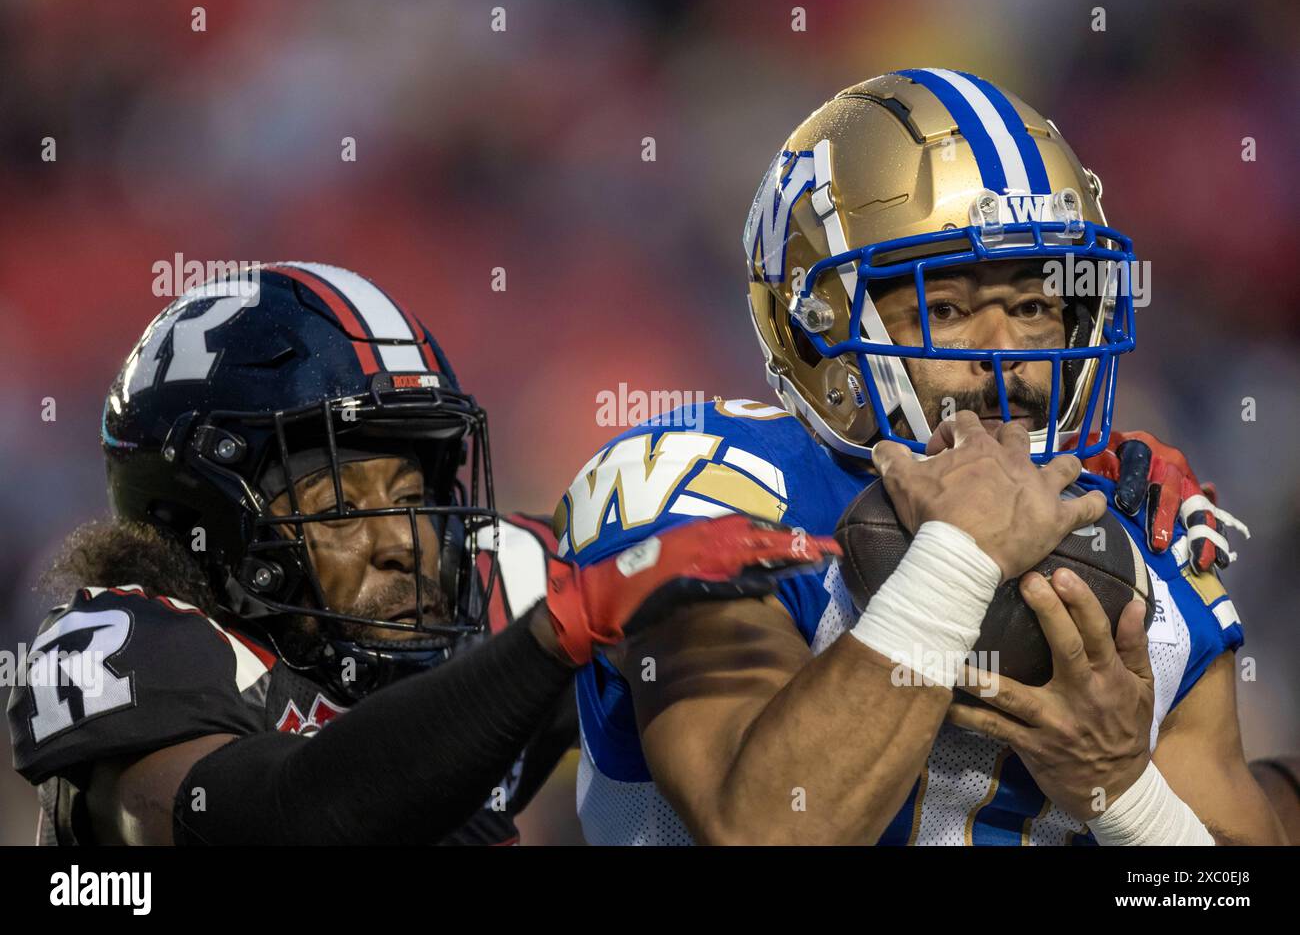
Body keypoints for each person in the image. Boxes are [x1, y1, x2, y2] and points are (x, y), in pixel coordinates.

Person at [555, 70, 1281, 845]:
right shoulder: (719, 490)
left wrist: (1130, 799)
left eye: (1035, 307)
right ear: (815, 328)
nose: (1005, 357)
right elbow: (766, 829)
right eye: (948, 309)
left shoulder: (1141, 535)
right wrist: (959, 558)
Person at [6, 262, 835, 845]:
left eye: (414, 500)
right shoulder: (124, 643)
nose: (404, 543)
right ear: (206, 522)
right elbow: (292, 820)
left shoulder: (491, 584)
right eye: (342, 507)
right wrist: (563, 632)